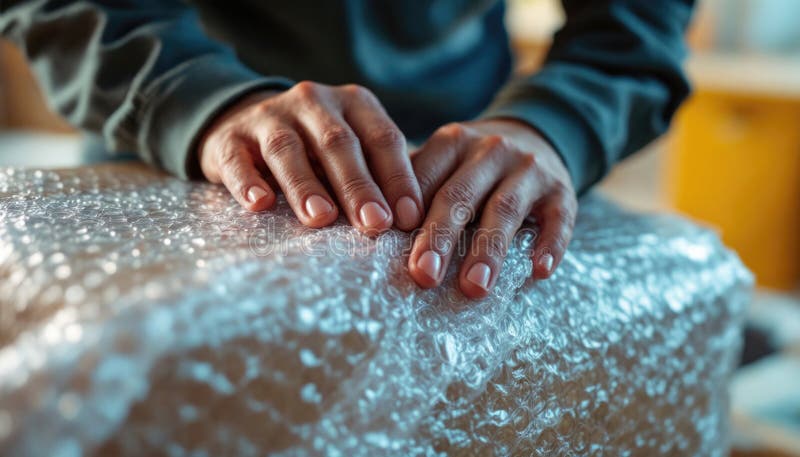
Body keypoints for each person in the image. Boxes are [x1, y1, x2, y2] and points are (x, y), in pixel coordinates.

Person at [0, 1, 693, 298]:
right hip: (174, 139)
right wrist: (197, 99)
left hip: (467, 160)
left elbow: (635, 25)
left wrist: (553, 126)